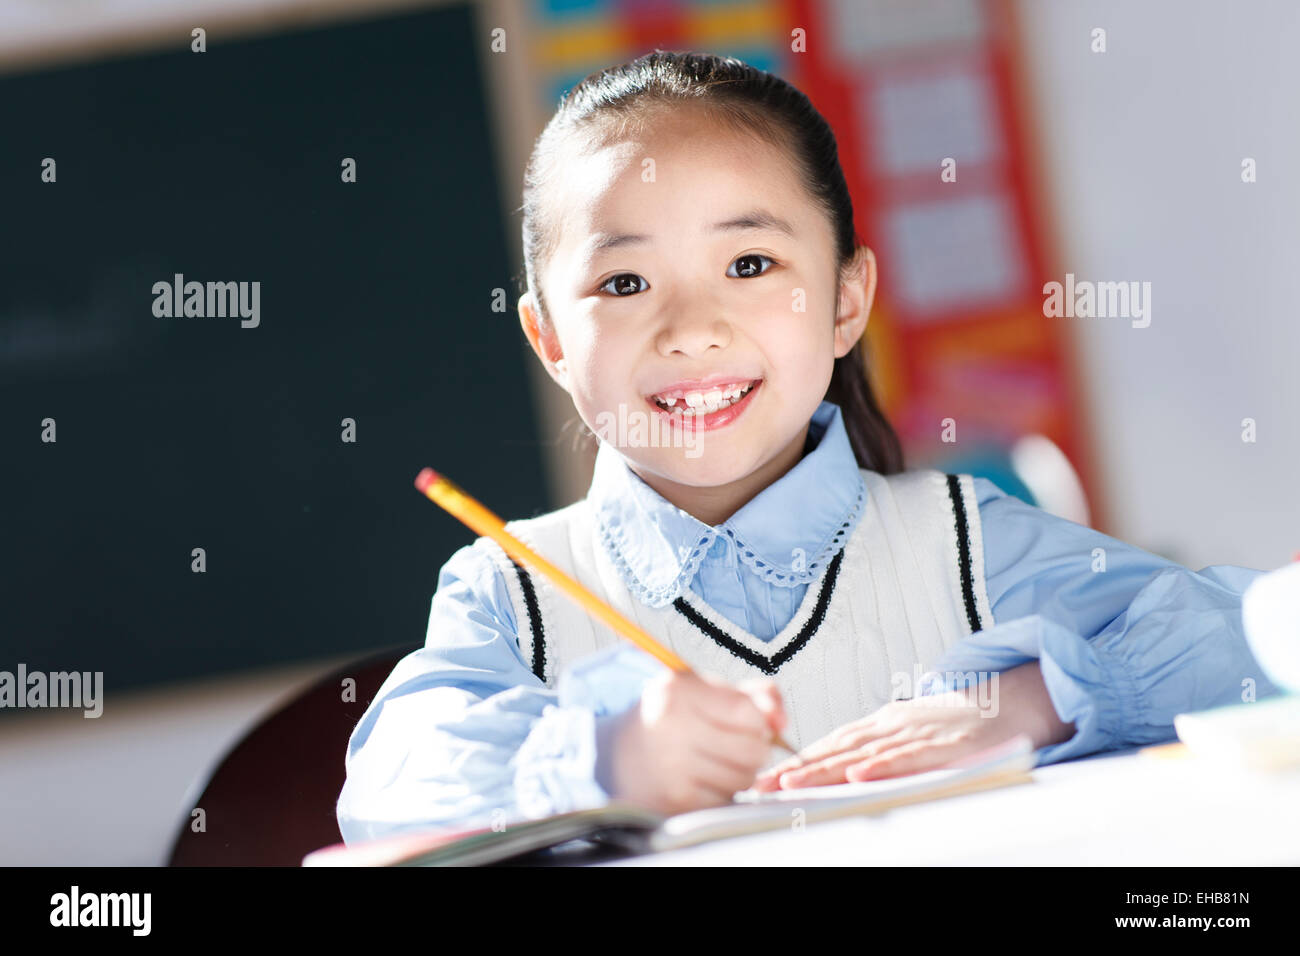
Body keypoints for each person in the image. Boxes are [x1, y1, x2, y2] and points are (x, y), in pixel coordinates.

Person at [336, 51, 1280, 844]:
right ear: (548, 340)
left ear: (844, 302)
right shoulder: (510, 593)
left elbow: (1254, 643)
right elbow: (391, 793)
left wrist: (1038, 699)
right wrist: (605, 757)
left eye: (750, 265)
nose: (692, 328)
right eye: (624, 282)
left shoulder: (961, 541)